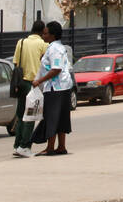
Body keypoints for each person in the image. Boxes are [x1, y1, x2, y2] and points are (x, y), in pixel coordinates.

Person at [32, 21, 75, 156]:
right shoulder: (58, 47)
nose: (43, 36)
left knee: (51, 117)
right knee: (61, 117)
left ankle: (51, 147)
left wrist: (39, 80)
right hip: (63, 87)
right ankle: (61, 146)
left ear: (52, 35)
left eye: (45, 33)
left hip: (55, 88)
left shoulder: (54, 49)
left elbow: (56, 69)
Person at [11, 19, 48, 158]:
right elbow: (46, 61)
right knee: (31, 116)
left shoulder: (21, 42)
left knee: (20, 115)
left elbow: (15, 63)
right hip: (34, 84)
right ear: (42, 31)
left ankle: (17, 145)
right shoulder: (43, 44)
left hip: (21, 83)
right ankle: (25, 146)